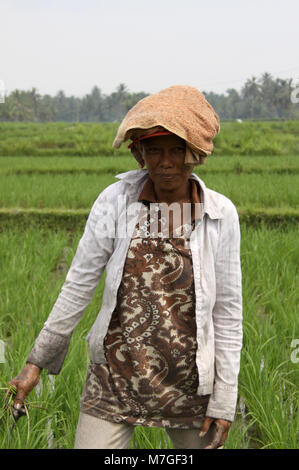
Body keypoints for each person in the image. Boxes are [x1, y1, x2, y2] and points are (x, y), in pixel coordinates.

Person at [7, 85, 243, 449]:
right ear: (140, 154)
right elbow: (78, 285)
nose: (165, 162)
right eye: (154, 150)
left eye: (177, 150)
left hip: (189, 381)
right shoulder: (114, 202)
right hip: (115, 374)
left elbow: (227, 311)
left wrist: (225, 399)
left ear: (194, 153)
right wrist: (35, 362)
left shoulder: (220, 214)